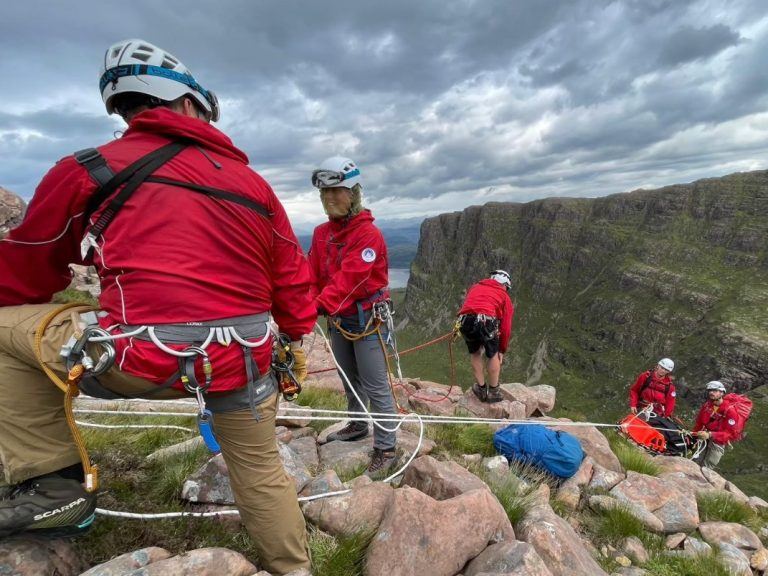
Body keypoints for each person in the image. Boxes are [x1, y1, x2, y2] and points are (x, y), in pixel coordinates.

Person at [0, 39, 314, 575]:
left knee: (3, 328)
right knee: (260, 469)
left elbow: (26, 268)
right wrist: (291, 335)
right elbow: (294, 292)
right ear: (190, 104)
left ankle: (53, 482)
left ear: (126, 110)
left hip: (136, 359)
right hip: (245, 357)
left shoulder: (91, 169)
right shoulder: (254, 185)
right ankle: (295, 570)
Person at [307, 156, 398, 479]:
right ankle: (359, 424)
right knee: (349, 378)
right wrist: (306, 299)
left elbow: (353, 279)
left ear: (353, 193)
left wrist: (315, 306)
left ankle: (386, 447)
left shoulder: (368, 236)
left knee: (375, 384)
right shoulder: (320, 234)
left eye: (338, 192)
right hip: (339, 318)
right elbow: (312, 273)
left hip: (366, 319)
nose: (331, 199)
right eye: (326, 194)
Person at [457, 271, 514, 403]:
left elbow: (470, 304)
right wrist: (502, 349)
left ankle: (481, 389)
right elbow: (506, 327)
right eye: (507, 287)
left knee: (475, 353)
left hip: (465, 321)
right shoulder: (504, 296)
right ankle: (494, 392)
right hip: (486, 321)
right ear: (504, 284)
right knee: (492, 354)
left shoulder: (475, 287)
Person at [692, 380, 743, 469]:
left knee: (707, 466)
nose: (711, 393)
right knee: (695, 462)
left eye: (715, 391)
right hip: (703, 437)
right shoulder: (707, 405)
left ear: (722, 392)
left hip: (718, 442)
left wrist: (710, 434)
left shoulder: (730, 411)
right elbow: (699, 422)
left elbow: (729, 434)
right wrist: (693, 435)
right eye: (710, 390)